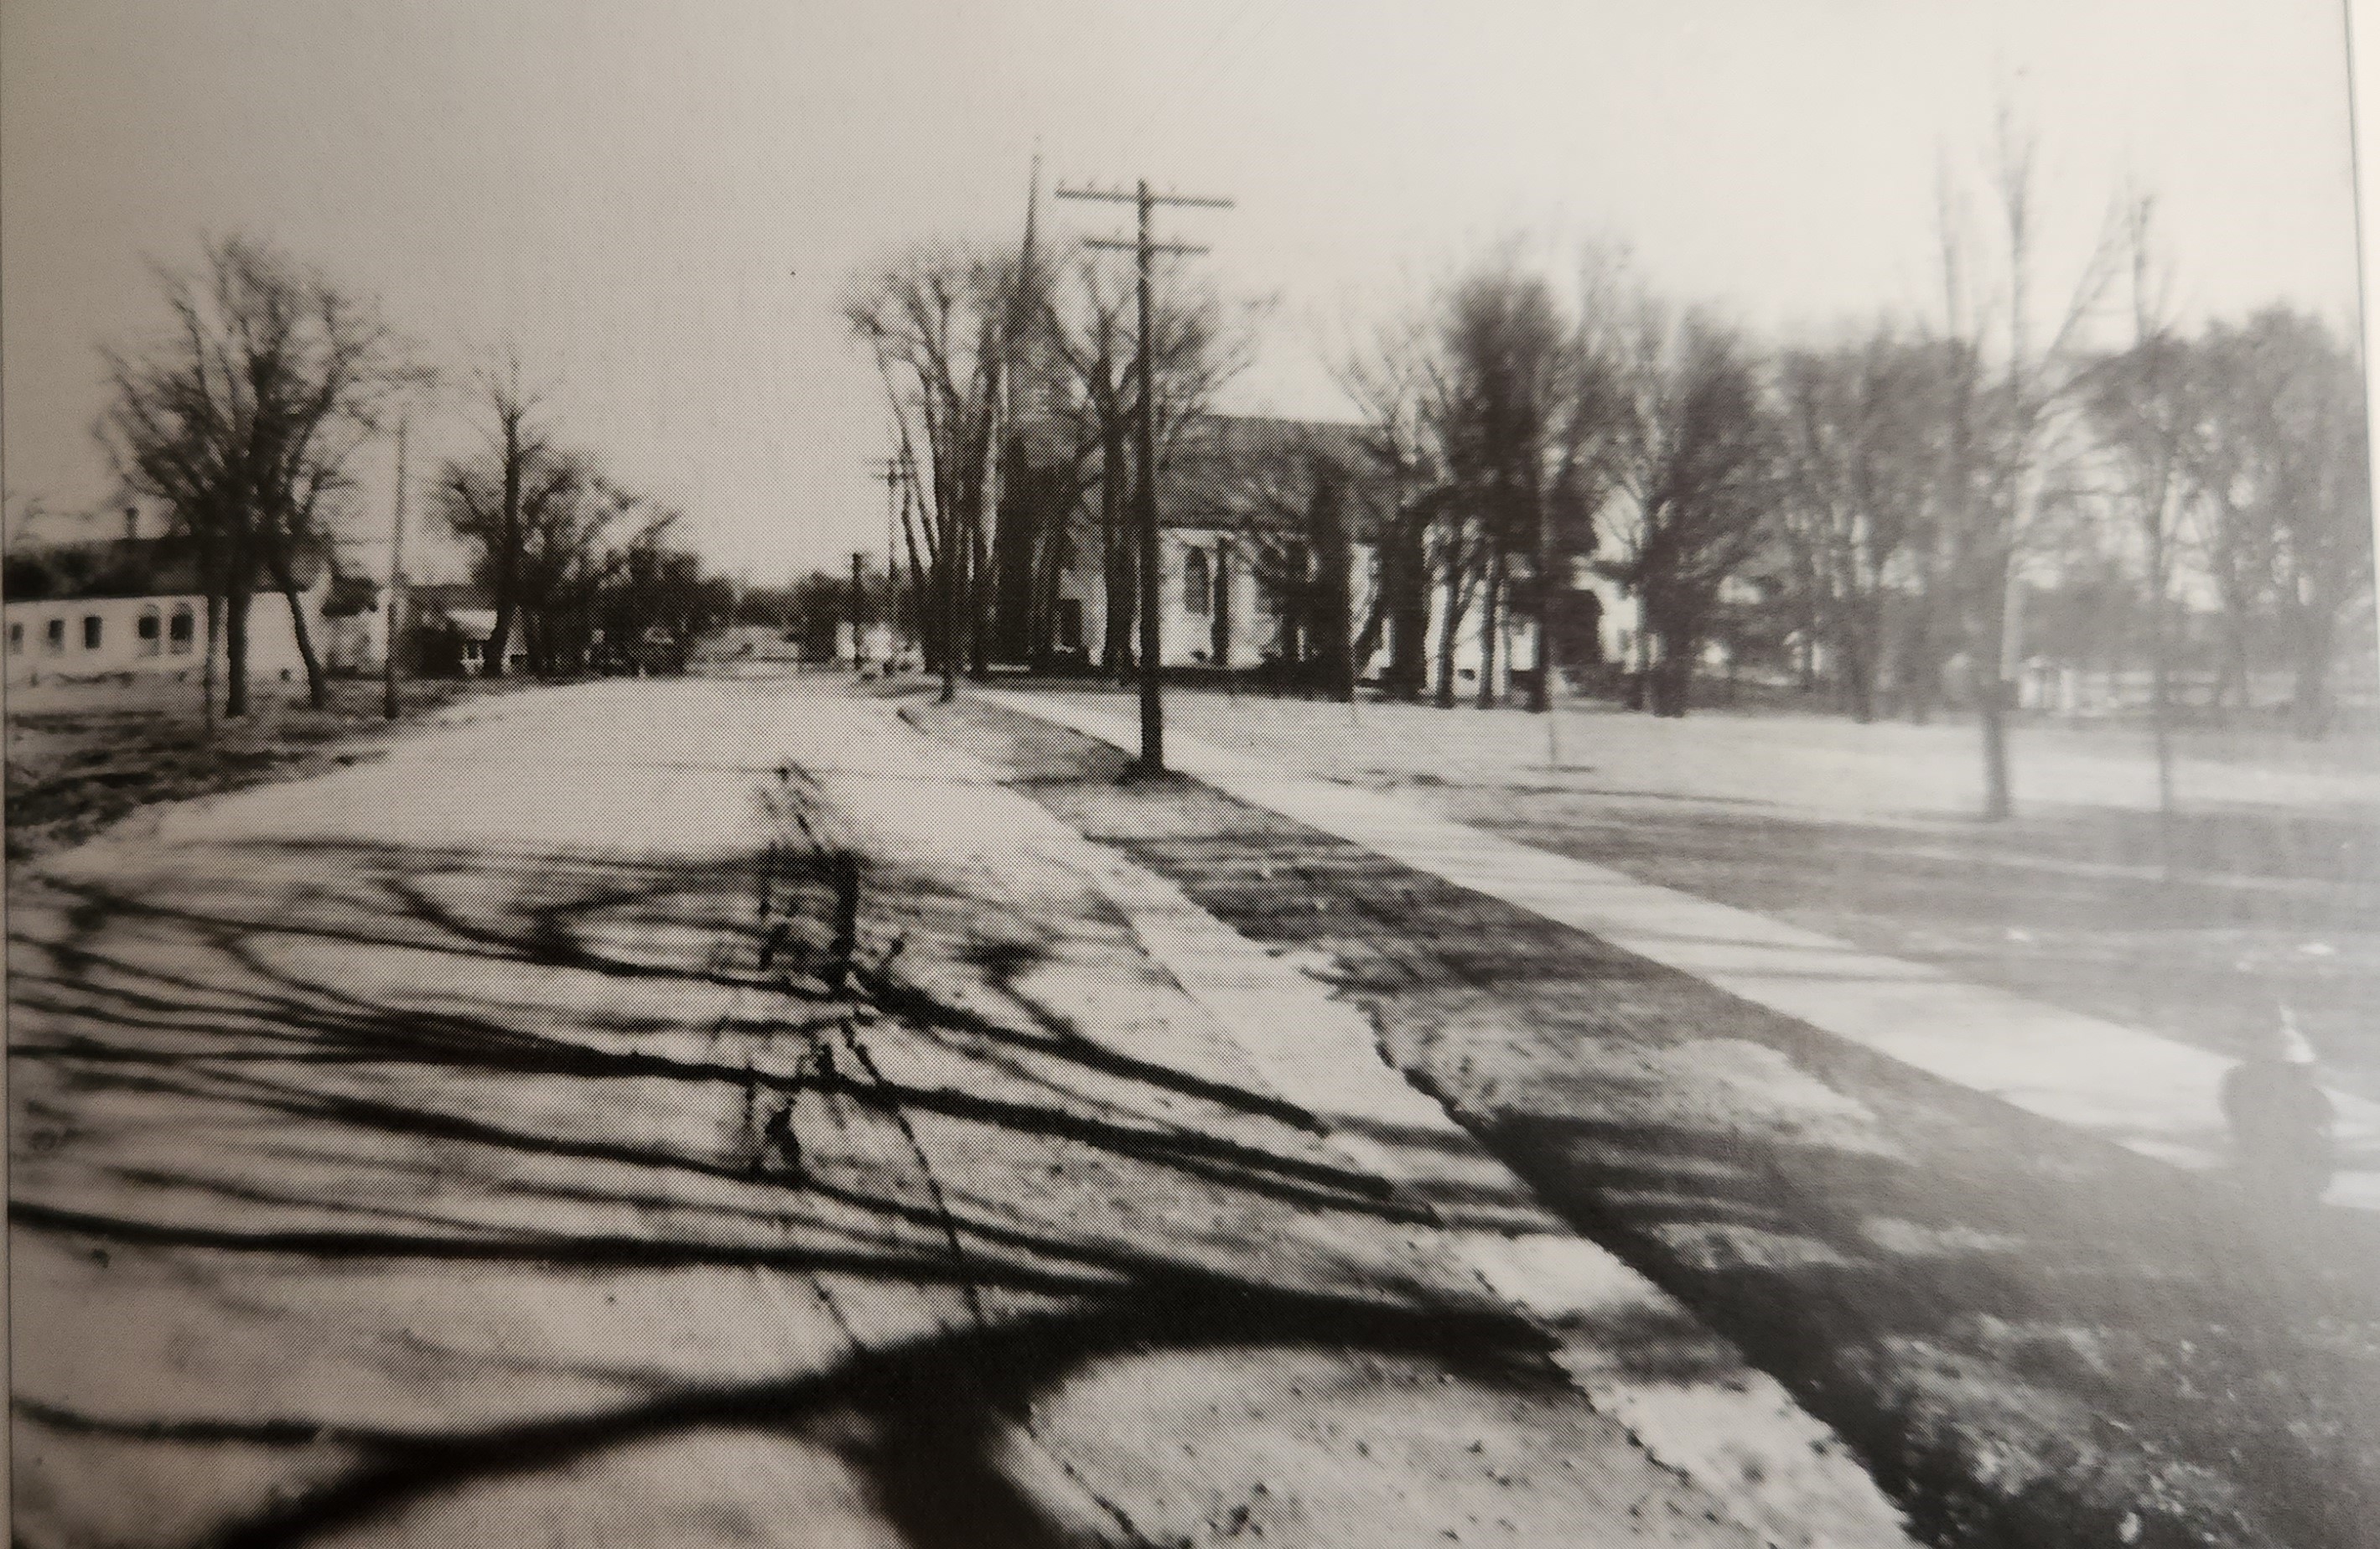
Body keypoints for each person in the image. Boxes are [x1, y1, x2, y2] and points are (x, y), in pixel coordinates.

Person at [2218, 1008, 2336, 1209]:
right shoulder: (2244, 1081)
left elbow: (2324, 1126)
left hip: (2289, 1150)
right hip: (2271, 1142)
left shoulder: (2308, 1095)